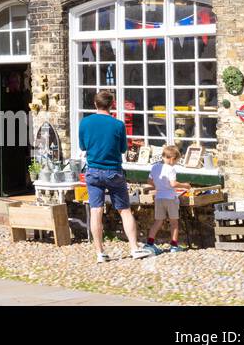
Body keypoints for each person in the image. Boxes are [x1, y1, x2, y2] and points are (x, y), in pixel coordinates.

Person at [78, 90, 153, 262]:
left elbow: (83, 146)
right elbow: (123, 150)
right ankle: (134, 249)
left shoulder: (85, 123)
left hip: (94, 171)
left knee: (96, 210)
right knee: (124, 210)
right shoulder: (118, 125)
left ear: (95, 104)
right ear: (111, 105)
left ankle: (100, 253)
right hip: (113, 171)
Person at [146, 145, 184, 253]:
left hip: (159, 197)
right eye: (176, 161)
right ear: (173, 159)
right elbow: (173, 184)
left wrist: (158, 186)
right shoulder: (171, 169)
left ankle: (149, 243)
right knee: (174, 223)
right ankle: (174, 246)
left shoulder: (155, 167)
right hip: (170, 198)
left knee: (158, 221)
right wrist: (185, 185)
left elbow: (149, 181)